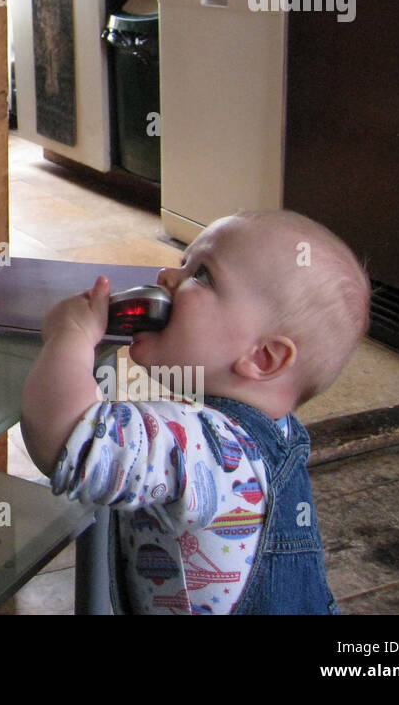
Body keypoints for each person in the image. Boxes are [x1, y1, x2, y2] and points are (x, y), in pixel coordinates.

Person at [21, 210, 370, 614]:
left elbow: (68, 437)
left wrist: (71, 336)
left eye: (202, 275)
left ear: (263, 357)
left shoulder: (209, 449)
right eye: (184, 261)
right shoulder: (276, 434)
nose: (168, 276)